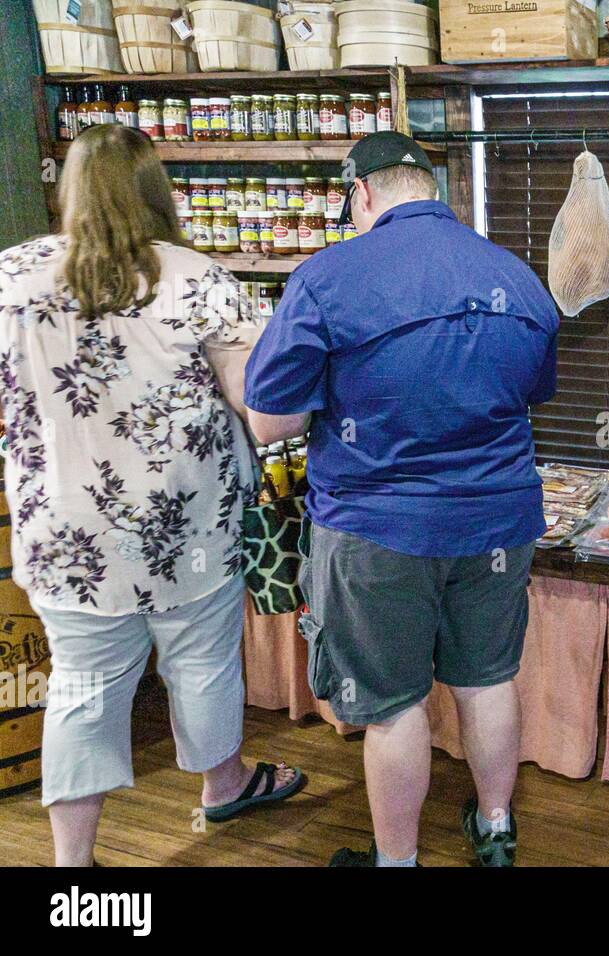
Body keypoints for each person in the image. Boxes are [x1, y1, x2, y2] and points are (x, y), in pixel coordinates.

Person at [243, 131, 559, 868]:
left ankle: (398, 862)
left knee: (390, 704)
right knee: (486, 680)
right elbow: (528, 392)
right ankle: (496, 827)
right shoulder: (517, 276)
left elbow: (270, 419)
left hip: (377, 527)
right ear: (433, 189)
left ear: (362, 194)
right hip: (498, 524)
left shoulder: (327, 278)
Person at [0, 123, 306, 867]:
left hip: (64, 536)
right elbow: (268, 413)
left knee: (82, 690)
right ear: (156, 191)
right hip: (187, 530)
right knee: (202, 665)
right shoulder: (198, 279)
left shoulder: (11, 276)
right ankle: (223, 786)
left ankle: (73, 868)